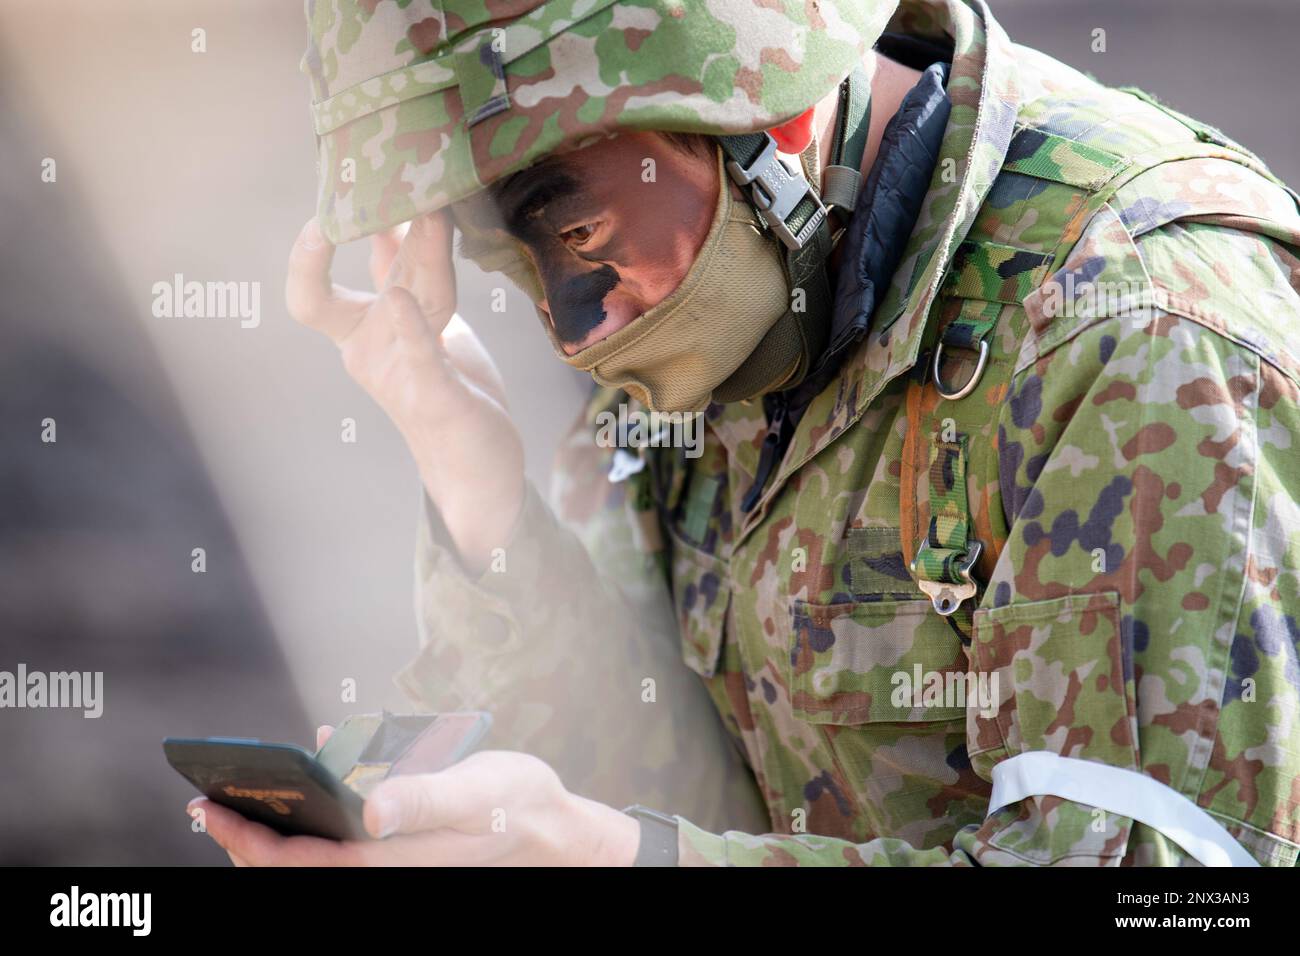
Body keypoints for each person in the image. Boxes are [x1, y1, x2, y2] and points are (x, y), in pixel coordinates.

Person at [194, 0, 1300, 866]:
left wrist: (615, 860)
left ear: (761, 108)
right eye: (507, 262)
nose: (577, 328)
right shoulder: (718, 295)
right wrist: (474, 482)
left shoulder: (1134, 323)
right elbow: (664, 784)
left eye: (571, 229)